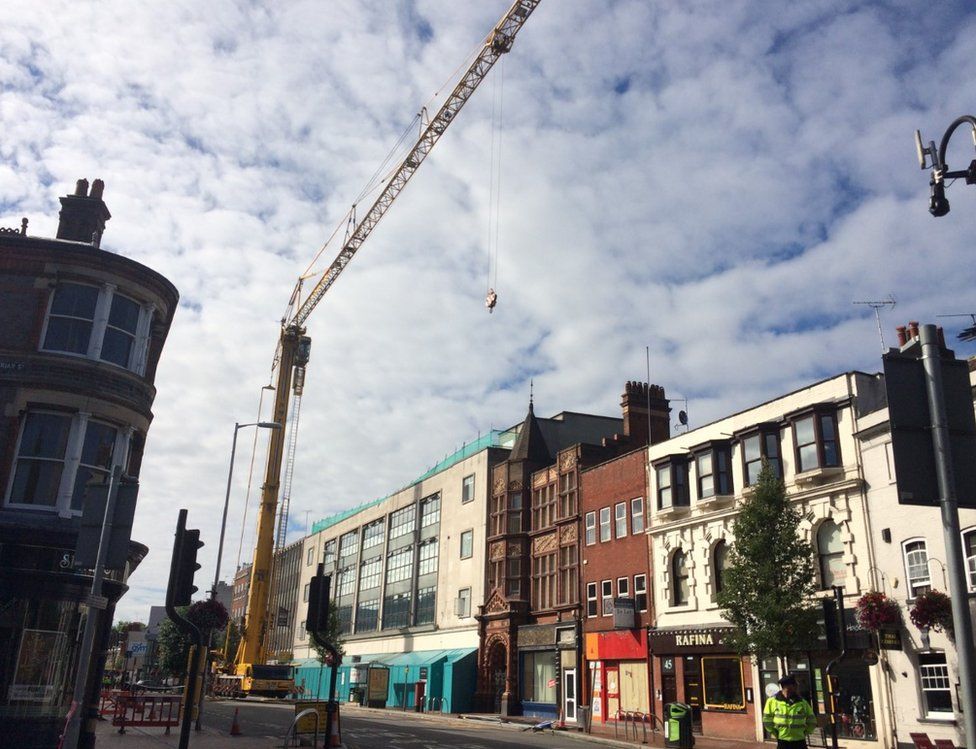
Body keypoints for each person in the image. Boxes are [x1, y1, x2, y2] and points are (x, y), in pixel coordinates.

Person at [763, 674, 817, 748]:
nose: (796, 688)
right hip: (783, 741)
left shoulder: (802, 702)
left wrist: (805, 733)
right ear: (786, 687)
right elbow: (767, 720)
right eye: (794, 685)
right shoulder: (772, 701)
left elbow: (812, 720)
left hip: (799, 741)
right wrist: (775, 733)